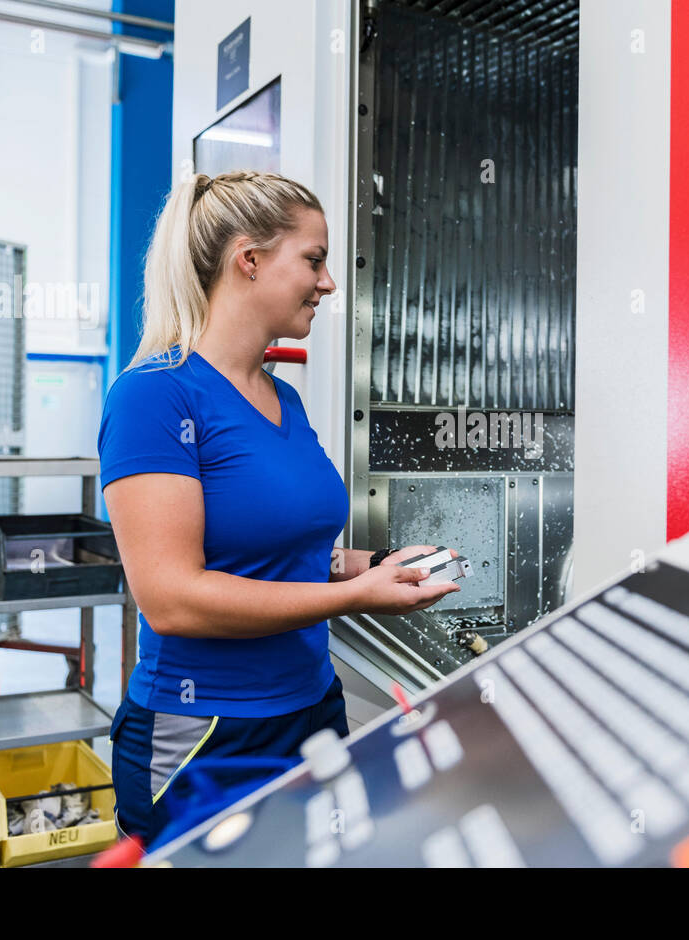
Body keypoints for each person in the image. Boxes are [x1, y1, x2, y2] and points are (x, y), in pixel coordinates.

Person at [98, 169, 459, 846]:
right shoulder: (155, 397)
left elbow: (288, 552)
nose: (329, 283)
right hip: (207, 733)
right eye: (315, 260)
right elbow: (174, 597)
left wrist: (376, 564)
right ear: (250, 259)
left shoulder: (280, 397)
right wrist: (358, 598)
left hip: (312, 712)